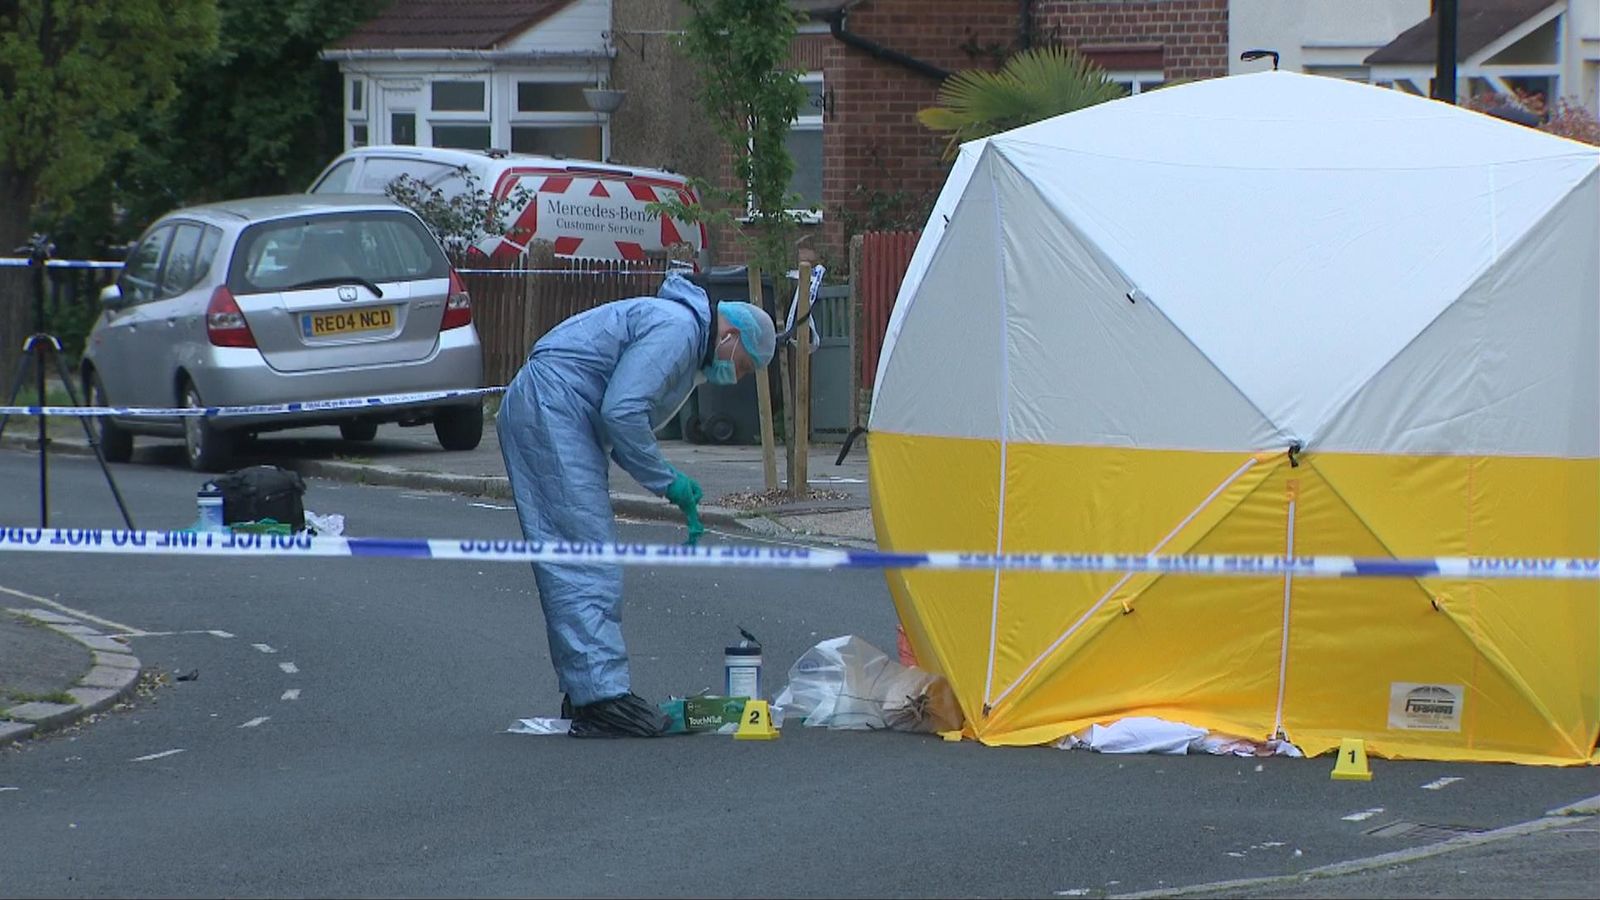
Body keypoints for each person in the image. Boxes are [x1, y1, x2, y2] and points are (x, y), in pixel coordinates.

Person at [497, 271, 777, 738]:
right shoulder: (679, 330)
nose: (737, 376)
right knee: (586, 556)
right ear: (730, 336)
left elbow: (622, 418)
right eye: (745, 365)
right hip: (554, 409)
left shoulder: (679, 330)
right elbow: (623, 412)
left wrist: (667, 484)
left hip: (554, 408)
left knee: (577, 553)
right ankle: (601, 699)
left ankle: (588, 691)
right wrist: (667, 481)